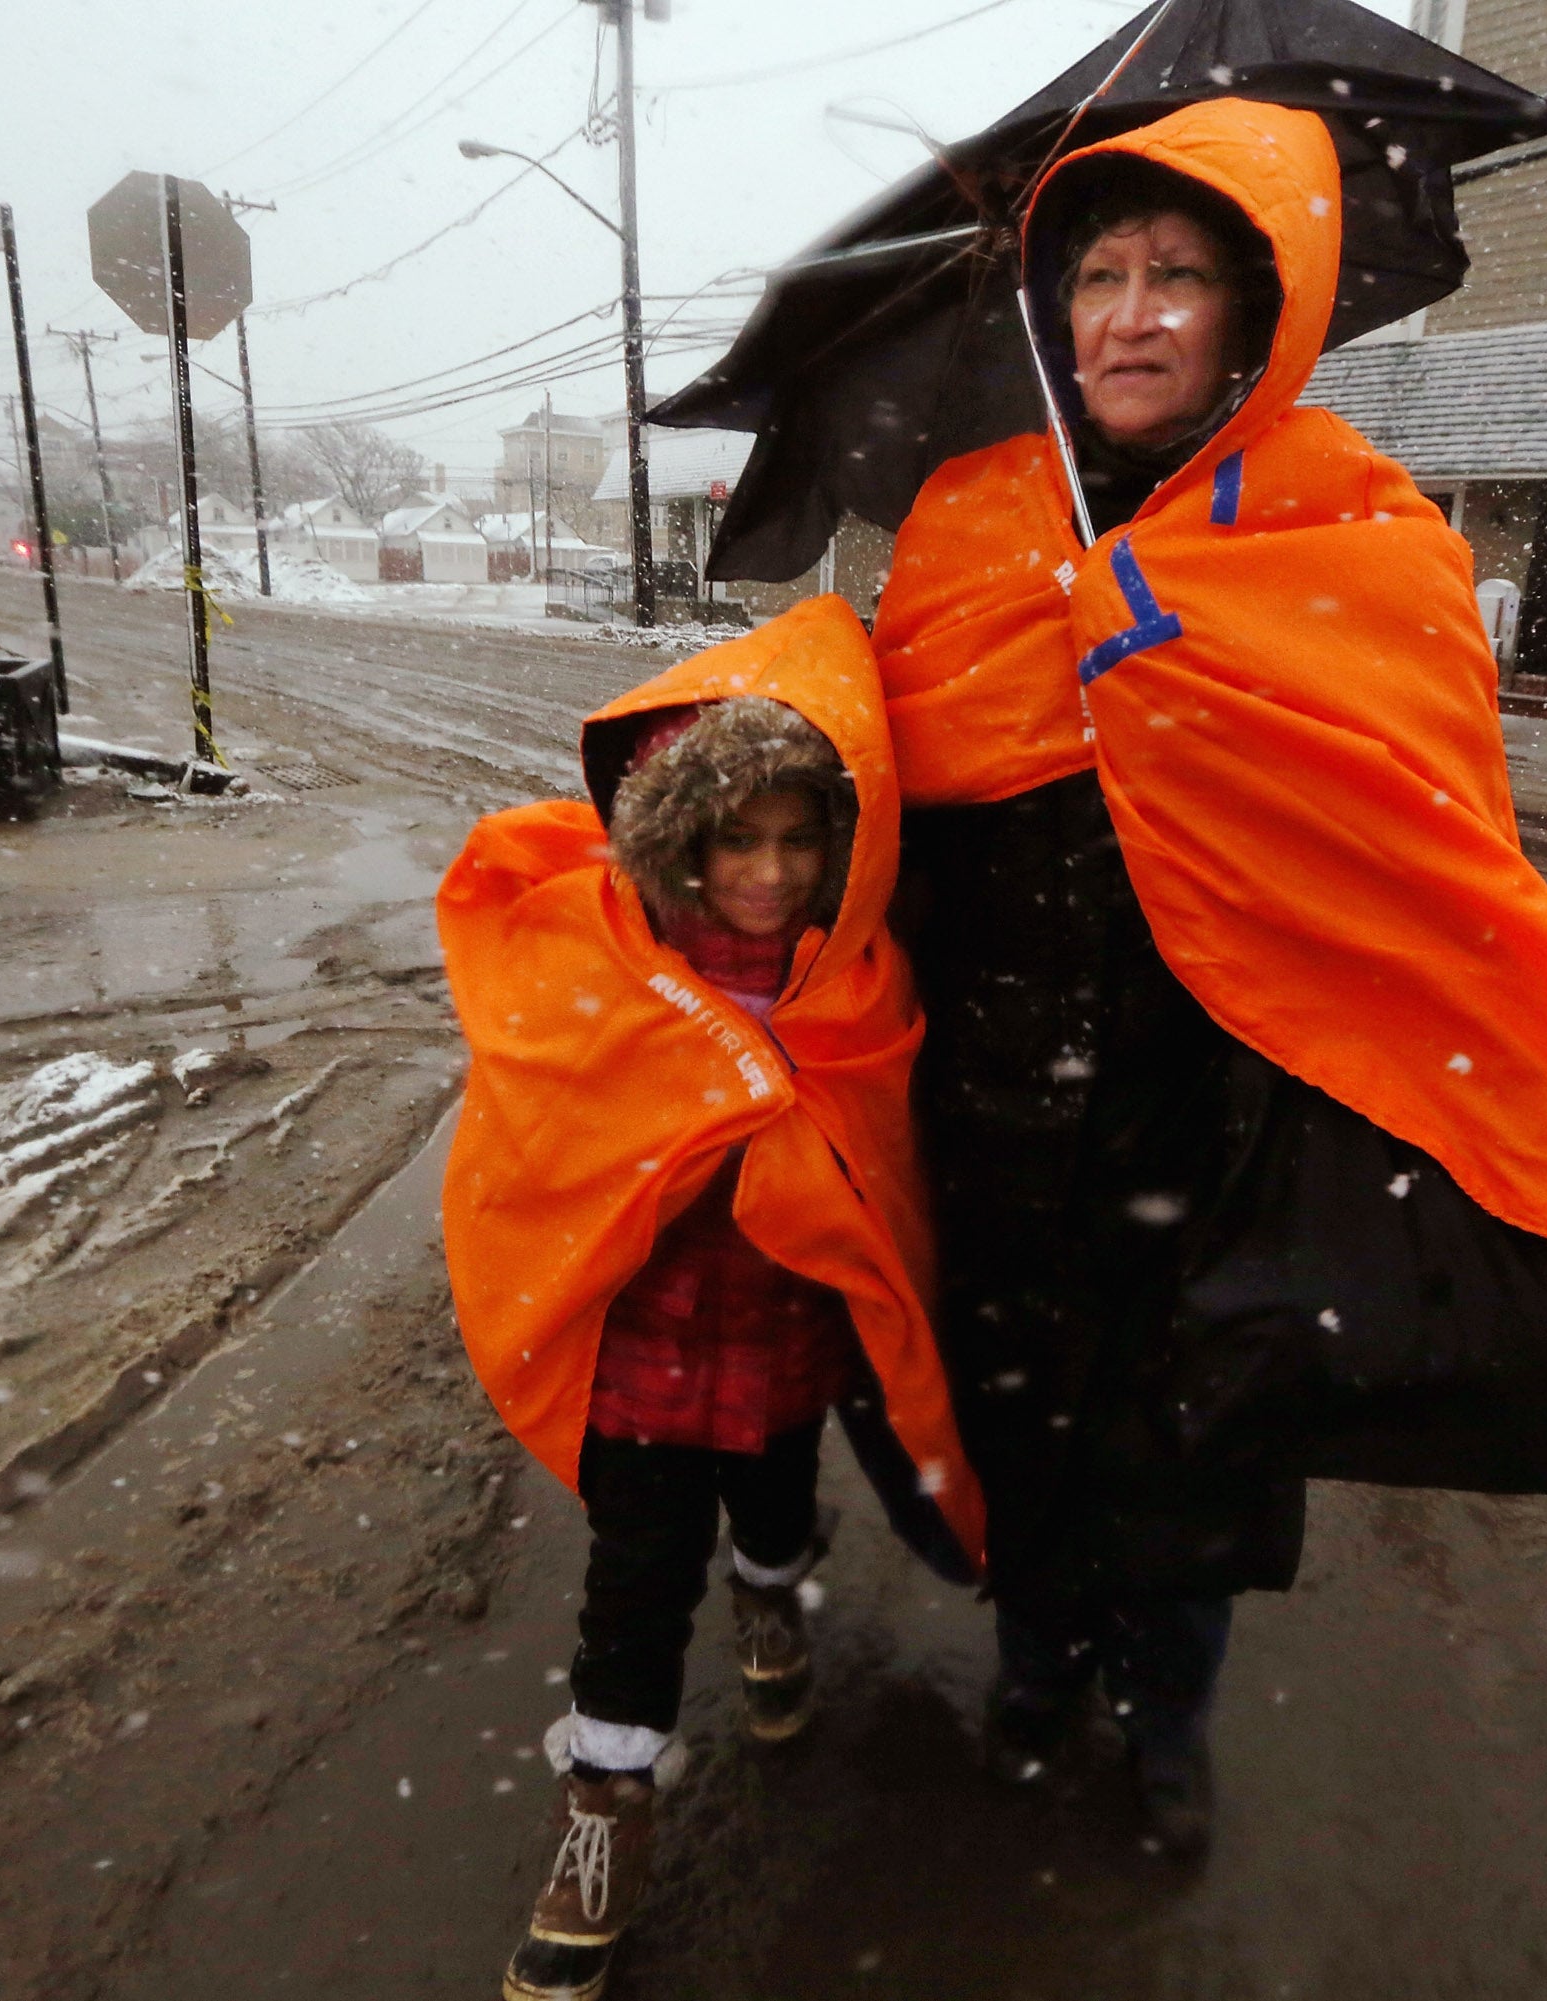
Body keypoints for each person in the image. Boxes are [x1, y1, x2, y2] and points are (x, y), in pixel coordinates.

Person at [874, 100, 1547, 1858]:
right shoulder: (972, 522)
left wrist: (1160, 668)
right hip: (996, 1108)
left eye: (1178, 275)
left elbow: (1431, 851)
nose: (1131, 315)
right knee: (1020, 1430)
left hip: (1224, 1117)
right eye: (1098, 275)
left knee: (1197, 1444)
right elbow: (887, 795)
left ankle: (1168, 1722)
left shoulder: (1349, 528)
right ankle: (1039, 1665)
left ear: (1255, 313)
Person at [438, 597, 984, 2001]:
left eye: (801, 840)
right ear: (684, 836)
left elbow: (883, 1151)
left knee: (778, 1504)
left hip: (789, 1327)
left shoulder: (861, 977)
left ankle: (772, 1600)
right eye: (739, 838)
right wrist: (684, 1135)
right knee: (634, 1582)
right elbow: (543, 1130)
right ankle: (600, 1824)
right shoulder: (608, 959)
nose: (771, 871)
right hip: (646, 1342)